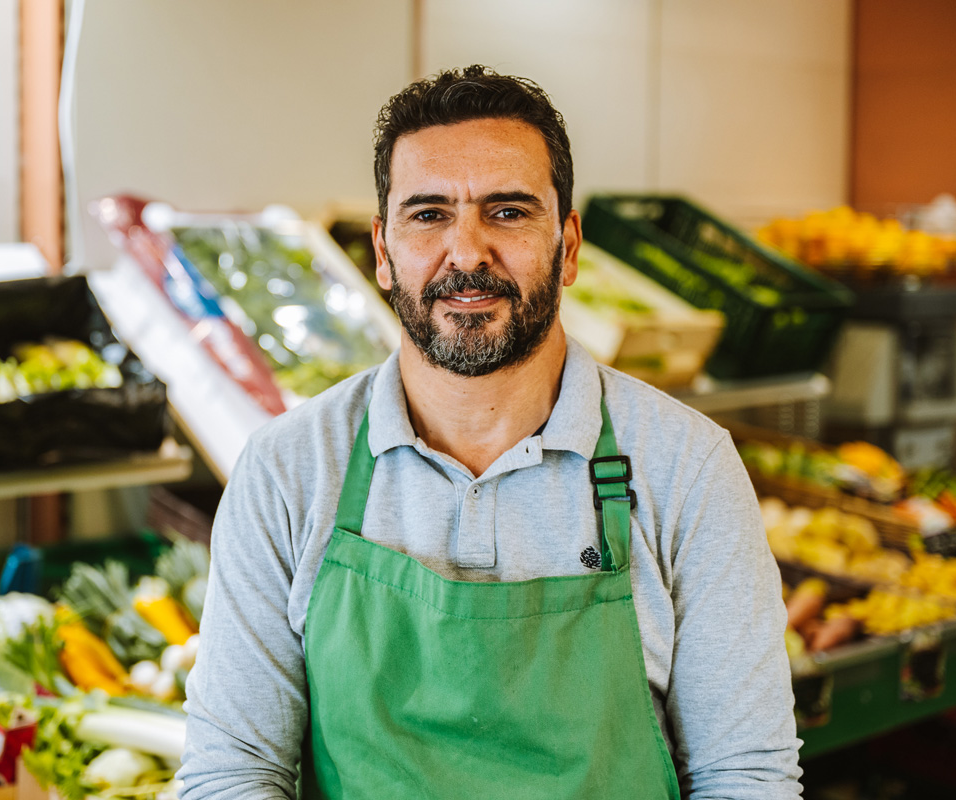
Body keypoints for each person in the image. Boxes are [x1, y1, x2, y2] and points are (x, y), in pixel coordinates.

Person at [176, 65, 802, 799]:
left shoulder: (685, 466)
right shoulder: (288, 469)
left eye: (507, 212)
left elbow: (746, 777)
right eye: (429, 214)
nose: (467, 252)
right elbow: (233, 772)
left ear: (568, 246)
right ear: (382, 251)